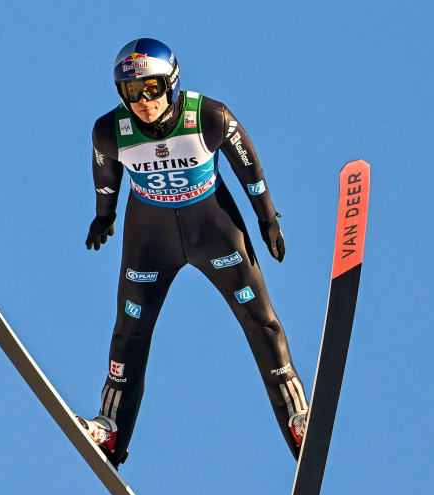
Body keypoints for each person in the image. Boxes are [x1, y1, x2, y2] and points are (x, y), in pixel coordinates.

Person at [75, 38, 307, 468]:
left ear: (172, 83)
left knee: (261, 322)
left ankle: (297, 416)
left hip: (214, 230)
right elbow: (105, 178)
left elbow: (248, 168)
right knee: (129, 331)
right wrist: (103, 217)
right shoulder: (110, 131)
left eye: (152, 88)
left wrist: (267, 217)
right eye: (131, 92)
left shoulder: (209, 117)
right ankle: (109, 429)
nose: (143, 101)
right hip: (150, 240)